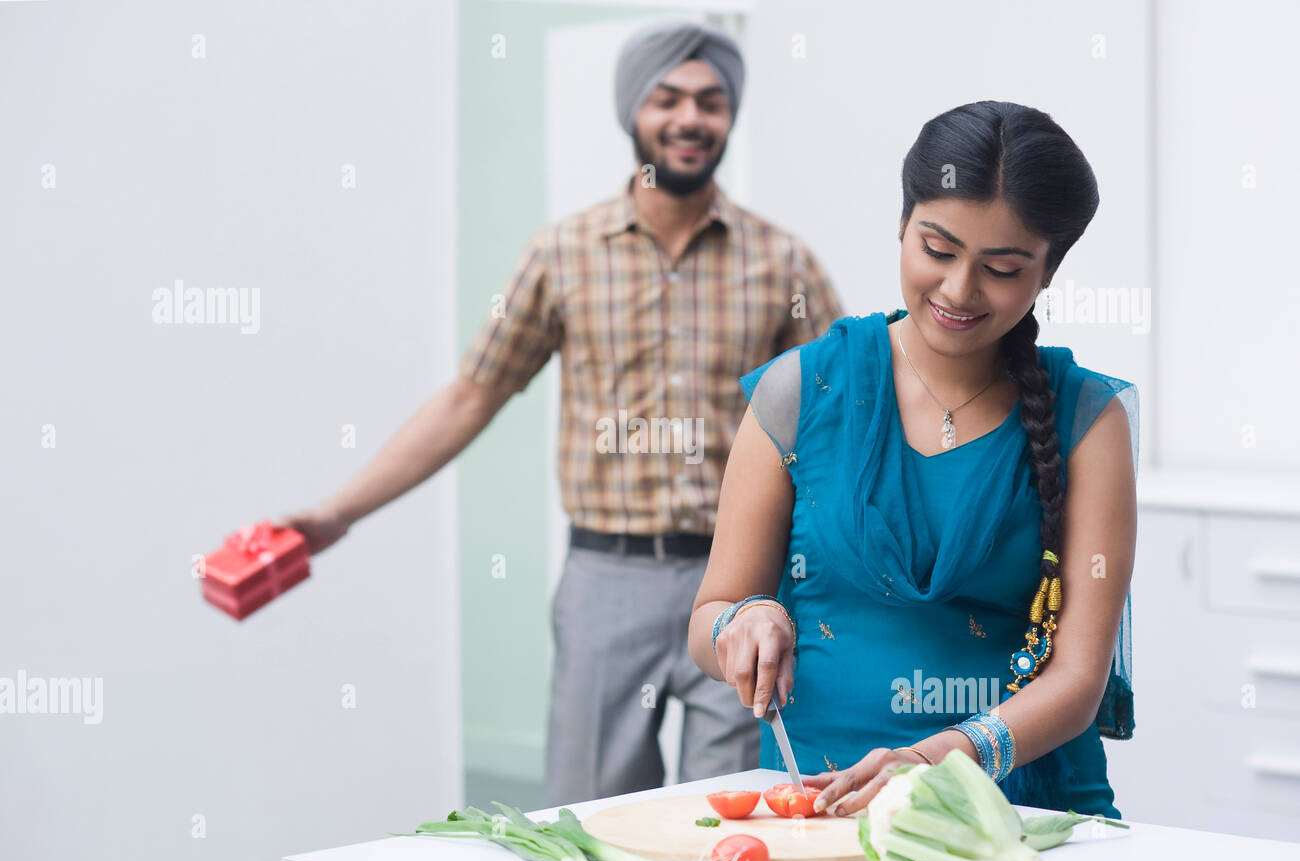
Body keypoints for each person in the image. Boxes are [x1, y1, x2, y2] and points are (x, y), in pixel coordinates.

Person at [273, 20, 843, 806]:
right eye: (668, 98)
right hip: (606, 578)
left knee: (729, 814)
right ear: (632, 112)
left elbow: (838, 424)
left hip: (742, 580)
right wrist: (341, 511)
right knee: (591, 821)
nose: (690, 119)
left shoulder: (784, 261)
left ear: (730, 117)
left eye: (711, 102)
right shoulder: (561, 254)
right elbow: (474, 392)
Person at [689, 100, 1138, 820]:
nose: (960, 290)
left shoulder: (1088, 419)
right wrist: (741, 621)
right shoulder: (801, 391)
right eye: (937, 249)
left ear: (1047, 272)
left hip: (1019, 815)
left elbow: (1080, 677)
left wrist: (934, 759)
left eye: (1001, 267)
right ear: (903, 225)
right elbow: (709, 615)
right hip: (824, 809)